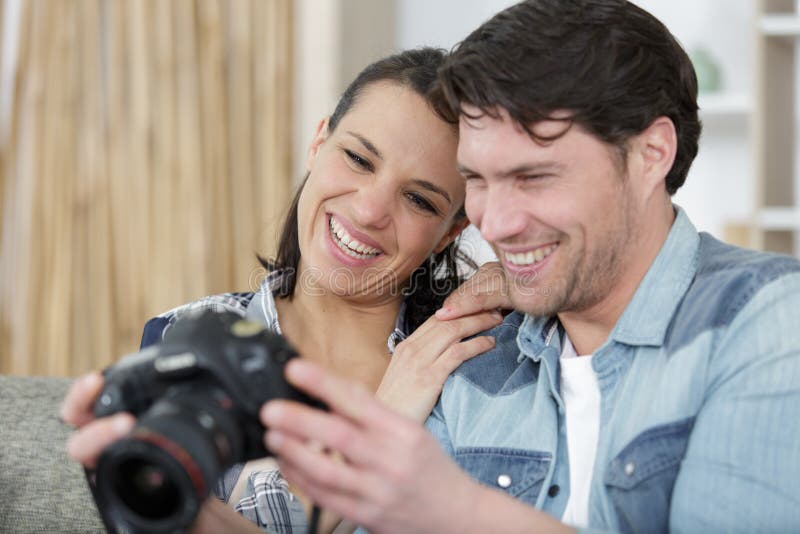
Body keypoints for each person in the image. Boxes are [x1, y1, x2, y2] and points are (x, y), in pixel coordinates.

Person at [252, 1, 800, 532]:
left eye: (534, 177)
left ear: (650, 154)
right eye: (478, 181)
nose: (494, 224)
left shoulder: (763, 321)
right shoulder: (475, 360)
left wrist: (458, 511)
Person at [61, 48, 508, 533]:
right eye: (359, 159)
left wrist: (522, 281)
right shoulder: (185, 335)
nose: (369, 211)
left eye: (418, 199)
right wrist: (387, 416)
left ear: (449, 232)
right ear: (318, 143)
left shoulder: (473, 362)